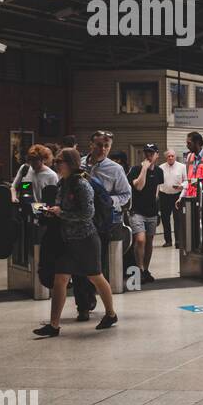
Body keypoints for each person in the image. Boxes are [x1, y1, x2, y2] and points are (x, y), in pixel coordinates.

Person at [33, 147, 117, 336]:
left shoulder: (81, 184)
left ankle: (111, 314)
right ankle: (54, 325)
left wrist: (61, 213)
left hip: (86, 240)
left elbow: (88, 213)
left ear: (70, 163)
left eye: (59, 161)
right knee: (59, 279)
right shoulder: (64, 183)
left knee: (95, 277)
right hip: (68, 240)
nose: (55, 164)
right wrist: (54, 211)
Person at [75, 131, 131, 320]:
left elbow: (125, 194)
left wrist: (106, 201)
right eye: (99, 145)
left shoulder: (115, 169)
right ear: (91, 145)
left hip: (102, 223)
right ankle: (82, 305)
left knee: (95, 265)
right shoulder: (79, 164)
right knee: (77, 265)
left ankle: (90, 296)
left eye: (107, 146)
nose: (103, 149)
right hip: (78, 222)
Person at [128, 143, 165, 283]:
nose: (148, 155)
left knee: (149, 241)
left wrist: (158, 210)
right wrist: (144, 169)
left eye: (151, 153)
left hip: (152, 211)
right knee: (140, 240)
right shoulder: (136, 169)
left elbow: (156, 191)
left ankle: (146, 269)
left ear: (157, 155)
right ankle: (139, 269)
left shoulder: (159, 172)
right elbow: (138, 186)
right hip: (137, 211)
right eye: (146, 153)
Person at [157, 148, 186, 247]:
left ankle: (178, 241)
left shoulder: (182, 167)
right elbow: (158, 183)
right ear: (166, 157)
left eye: (172, 156)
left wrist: (181, 186)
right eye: (168, 156)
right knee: (165, 219)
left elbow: (187, 181)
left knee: (177, 219)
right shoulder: (160, 168)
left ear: (175, 156)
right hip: (164, 195)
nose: (170, 157)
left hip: (177, 196)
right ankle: (168, 241)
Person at [181, 131, 203, 202]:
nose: (187, 146)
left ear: (197, 143)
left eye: (189, 143)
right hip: (191, 199)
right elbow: (188, 181)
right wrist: (181, 197)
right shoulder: (189, 157)